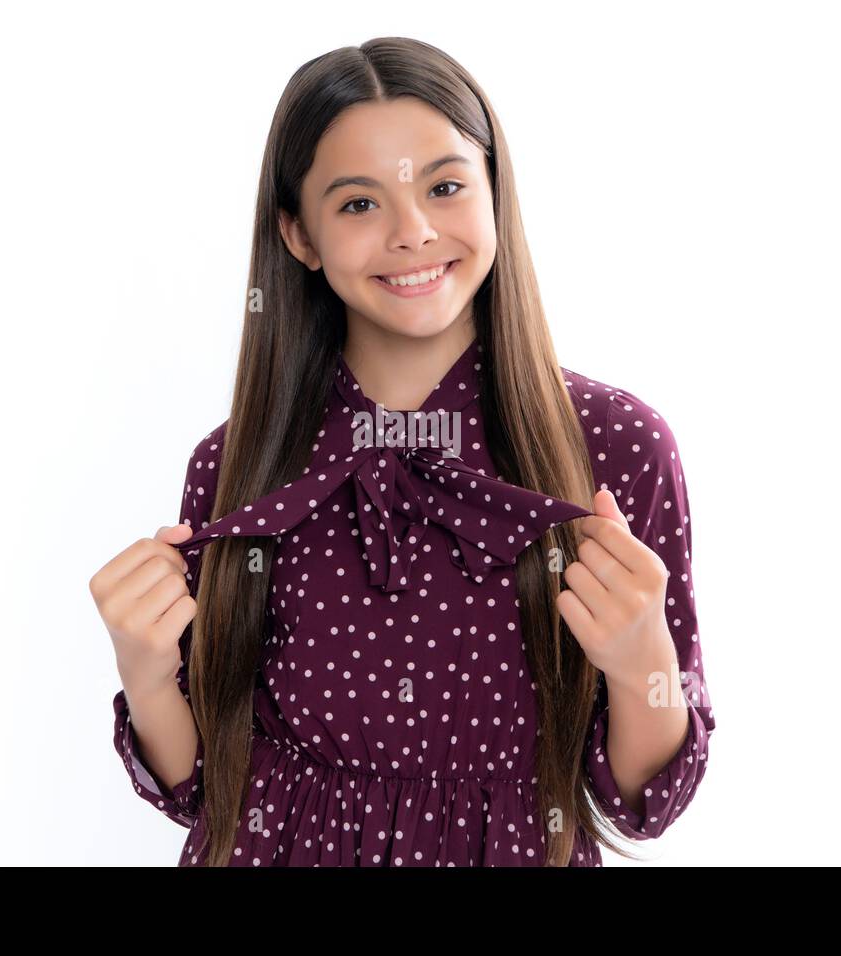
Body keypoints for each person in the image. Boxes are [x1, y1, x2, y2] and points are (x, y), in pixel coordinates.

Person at [88, 36, 714, 867]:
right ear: (299, 236)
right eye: (358, 204)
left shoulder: (616, 446)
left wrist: (642, 663)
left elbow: (640, 804)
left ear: (495, 193)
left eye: (446, 186)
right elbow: (204, 788)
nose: (413, 233)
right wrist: (142, 665)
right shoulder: (234, 463)